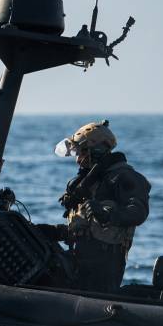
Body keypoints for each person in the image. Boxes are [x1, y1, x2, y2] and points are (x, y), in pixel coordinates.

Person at [37, 120, 150, 293]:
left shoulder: (124, 177)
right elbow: (86, 228)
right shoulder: (91, 182)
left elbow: (138, 211)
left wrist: (107, 214)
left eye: (81, 152)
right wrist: (54, 232)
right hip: (80, 261)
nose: (78, 160)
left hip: (103, 268)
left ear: (96, 151)